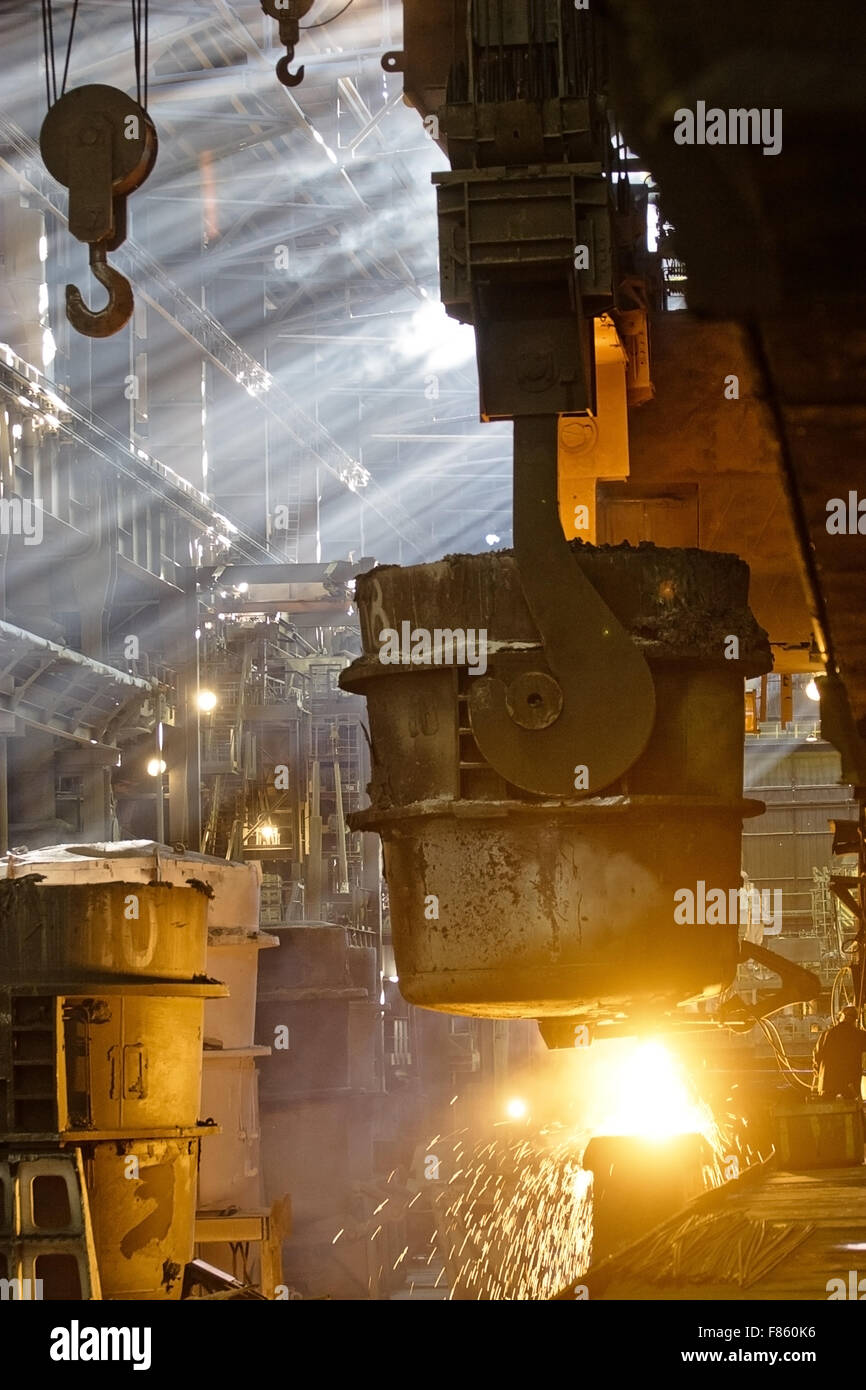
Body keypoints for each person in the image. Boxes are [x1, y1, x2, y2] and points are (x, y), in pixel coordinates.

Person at [812, 1006, 866, 1100]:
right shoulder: (860, 1035)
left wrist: (818, 1073)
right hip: (850, 1082)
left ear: (842, 1016)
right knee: (851, 1109)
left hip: (828, 1081)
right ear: (855, 1020)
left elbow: (817, 1055)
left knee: (826, 1109)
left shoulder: (826, 1034)